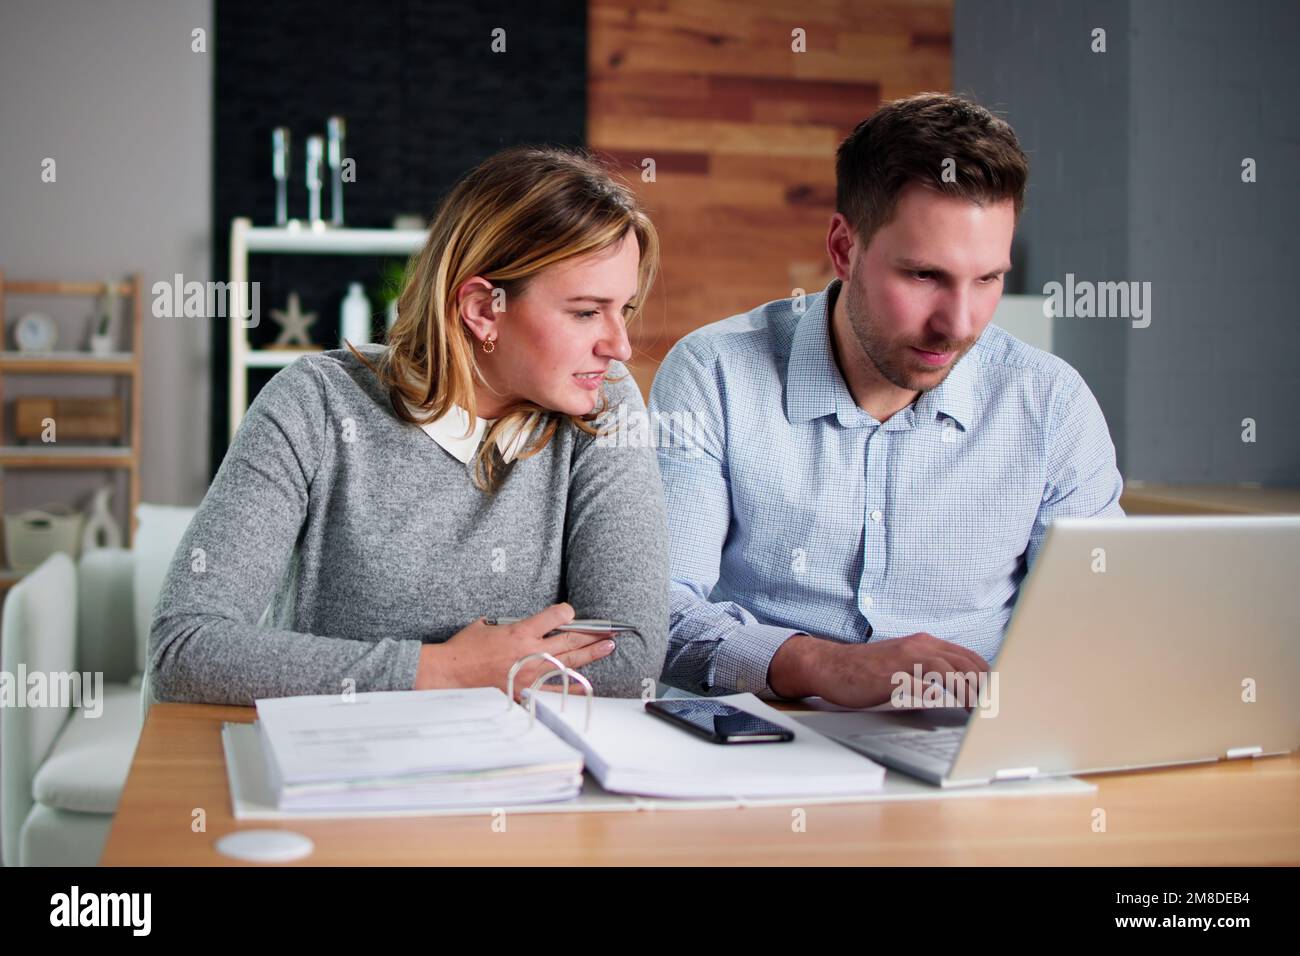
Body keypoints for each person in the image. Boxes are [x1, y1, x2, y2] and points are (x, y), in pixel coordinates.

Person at [649, 93, 1123, 707]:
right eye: (925, 276)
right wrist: (821, 665)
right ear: (845, 249)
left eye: (988, 279)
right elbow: (653, 610)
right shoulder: (713, 374)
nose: (957, 323)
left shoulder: (1052, 403)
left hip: (971, 752)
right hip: (762, 744)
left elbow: (1097, 617)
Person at [149, 146, 669, 705]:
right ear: (482, 308)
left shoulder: (605, 405)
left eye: (625, 310)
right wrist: (447, 670)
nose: (618, 346)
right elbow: (185, 649)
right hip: (337, 770)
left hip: (522, 779)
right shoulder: (315, 403)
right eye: (587, 312)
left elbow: (628, 660)